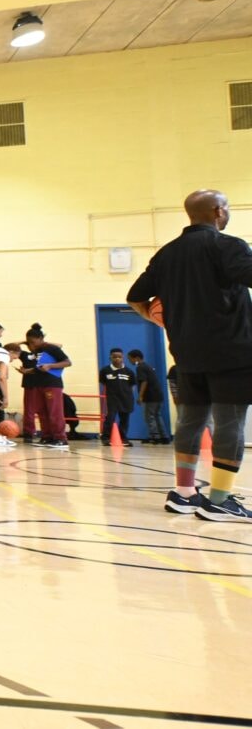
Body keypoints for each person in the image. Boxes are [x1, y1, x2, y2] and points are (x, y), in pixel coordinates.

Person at [127, 189, 252, 521]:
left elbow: (135, 296)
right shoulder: (228, 246)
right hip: (232, 352)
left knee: (191, 421)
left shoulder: (167, 254)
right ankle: (220, 499)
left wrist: (158, 317)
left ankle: (183, 494)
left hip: (187, 354)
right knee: (230, 422)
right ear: (218, 211)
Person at [11, 325, 70, 449]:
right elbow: (39, 368)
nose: (31, 345)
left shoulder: (52, 348)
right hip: (38, 384)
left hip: (52, 384)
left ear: (40, 338)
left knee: (54, 412)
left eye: (33, 342)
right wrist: (27, 371)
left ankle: (60, 438)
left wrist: (50, 366)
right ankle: (47, 437)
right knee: (43, 413)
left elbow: (67, 362)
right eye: (28, 343)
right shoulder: (36, 351)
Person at [99, 347, 135, 447]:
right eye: (114, 357)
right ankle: (106, 438)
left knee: (124, 419)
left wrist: (129, 395)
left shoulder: (129, 371)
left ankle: (123, 438)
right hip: (112, 398)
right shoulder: (105, 371)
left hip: (126, 399)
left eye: (119, 357)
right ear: (110, 357)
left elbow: (132, 385)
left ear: (123, 358)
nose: (117, 359)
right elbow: (103, 383)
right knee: (110, 418)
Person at [129, 350, 166, 444]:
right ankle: (164, 437)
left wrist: (140, 396)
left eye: (130, 359)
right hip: (158, 395)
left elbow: (144, 381)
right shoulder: (148, 366)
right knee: (157, 415)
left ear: (137, 358)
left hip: (150, 396)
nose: (130, 361)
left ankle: (155, 437)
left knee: (149, 417)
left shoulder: (140, 367)